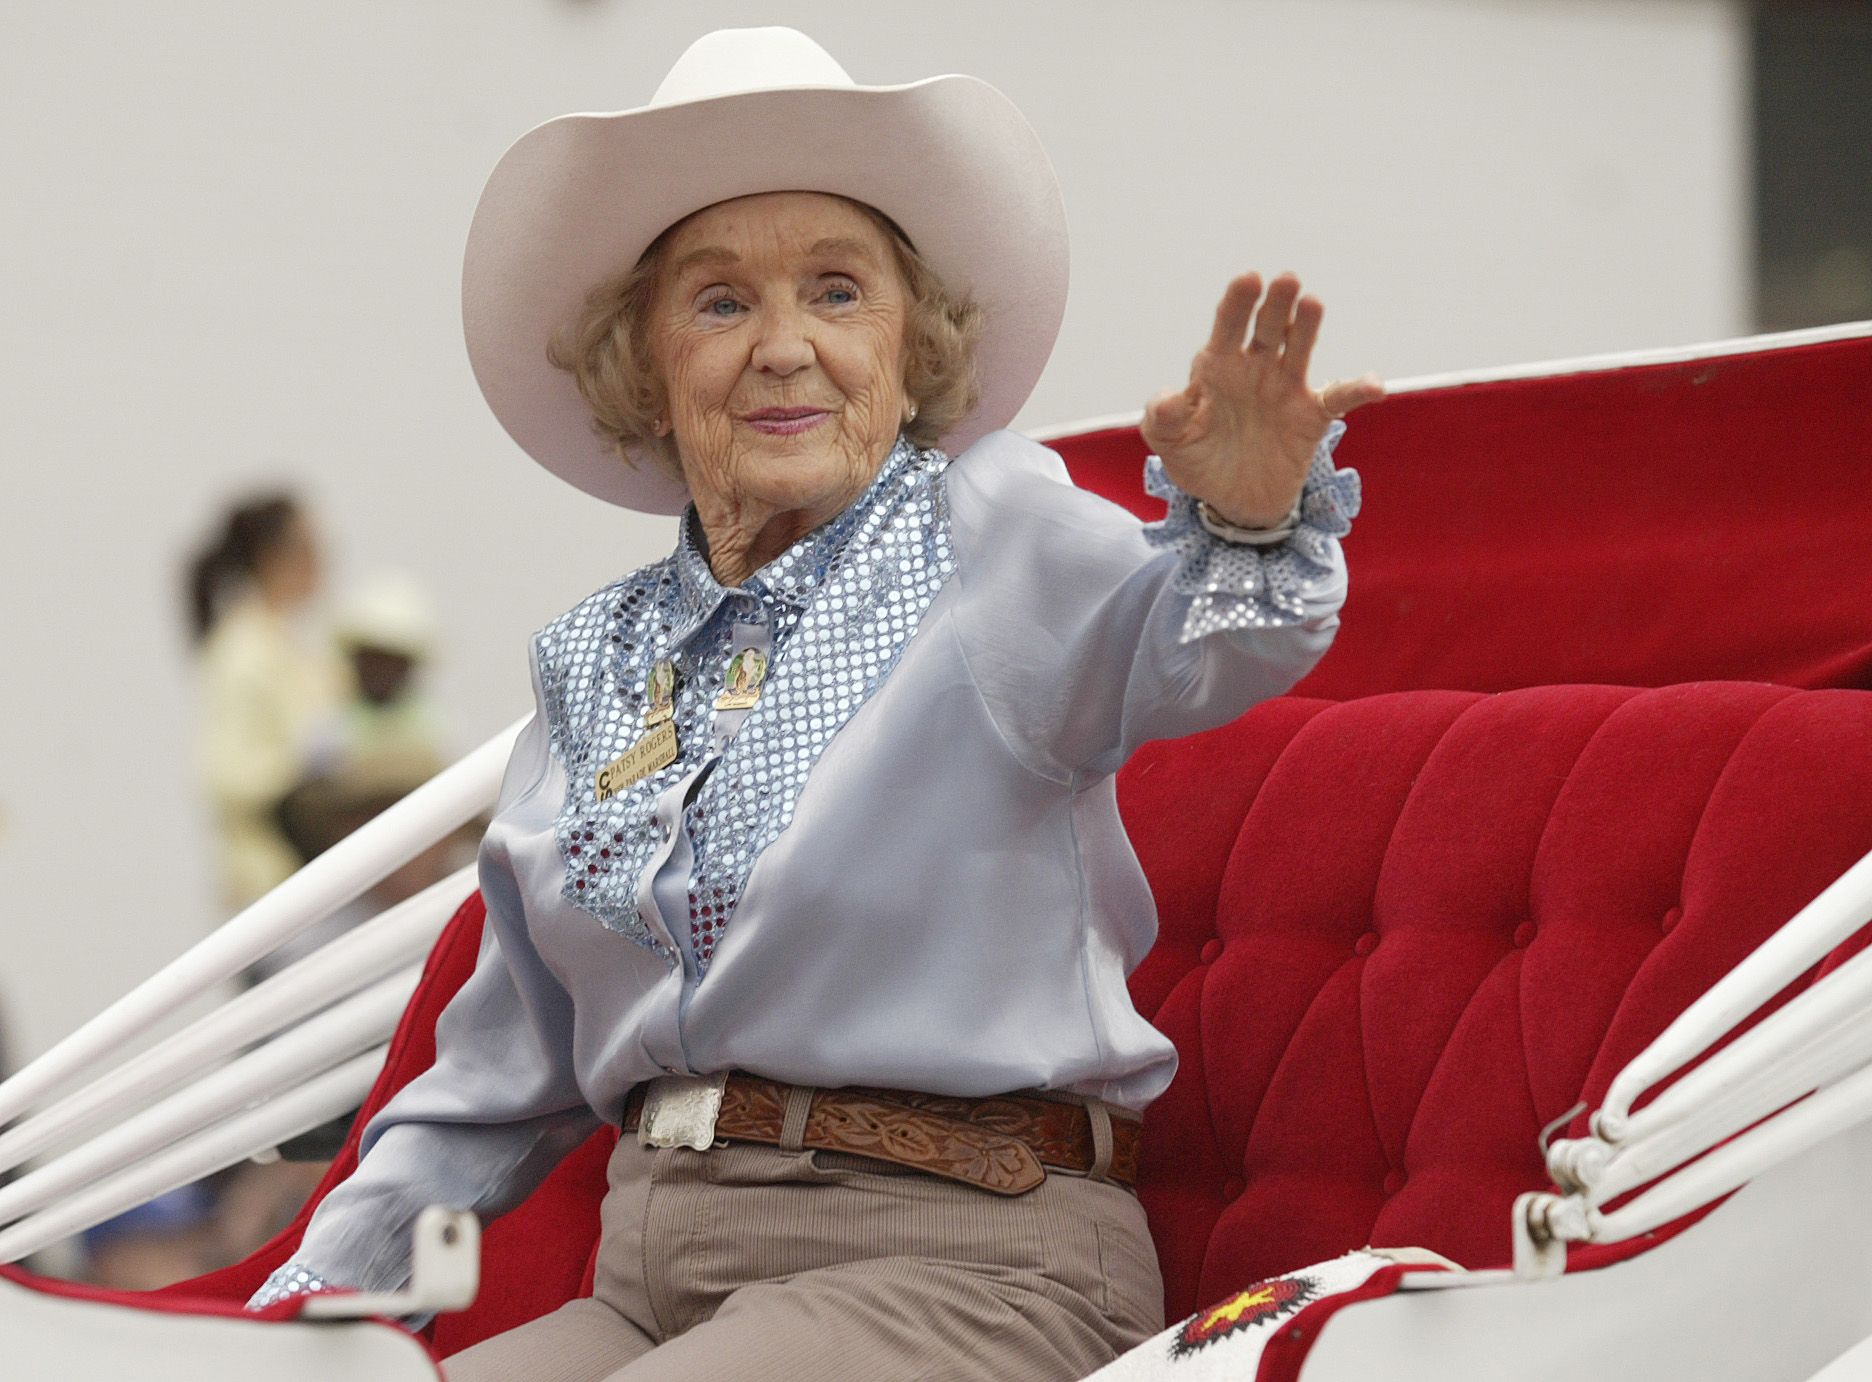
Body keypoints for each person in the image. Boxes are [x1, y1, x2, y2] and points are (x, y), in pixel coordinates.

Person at [246, 28, 1381, 1381]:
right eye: (720, 303)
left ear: (914, 353)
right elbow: (495, 1076)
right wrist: (300, 1306)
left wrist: (1247, 520)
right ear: (644, 366)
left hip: (962, 1260)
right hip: (650, 1276)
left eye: (837, 294)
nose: (785, 348)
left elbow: (1198, 642)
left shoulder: (992, 537)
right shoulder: (598, 658)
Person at [186, 494, 348, 912]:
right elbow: (229, 773)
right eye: (310, 547)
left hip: (311, 883)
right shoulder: (243, 650)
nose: (323, 561)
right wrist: (305, 764)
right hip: (271, 888)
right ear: (273, 557)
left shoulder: (289, 644)